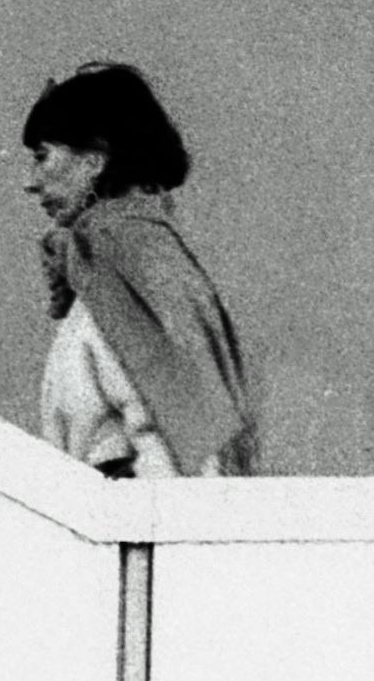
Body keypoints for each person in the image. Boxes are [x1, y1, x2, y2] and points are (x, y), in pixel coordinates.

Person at [23, 62, 259, 478]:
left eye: (43, 157)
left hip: (144, 531)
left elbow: (177, 440)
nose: (31, 182)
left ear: (93, 161)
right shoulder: (111, 271)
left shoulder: (130, 267)